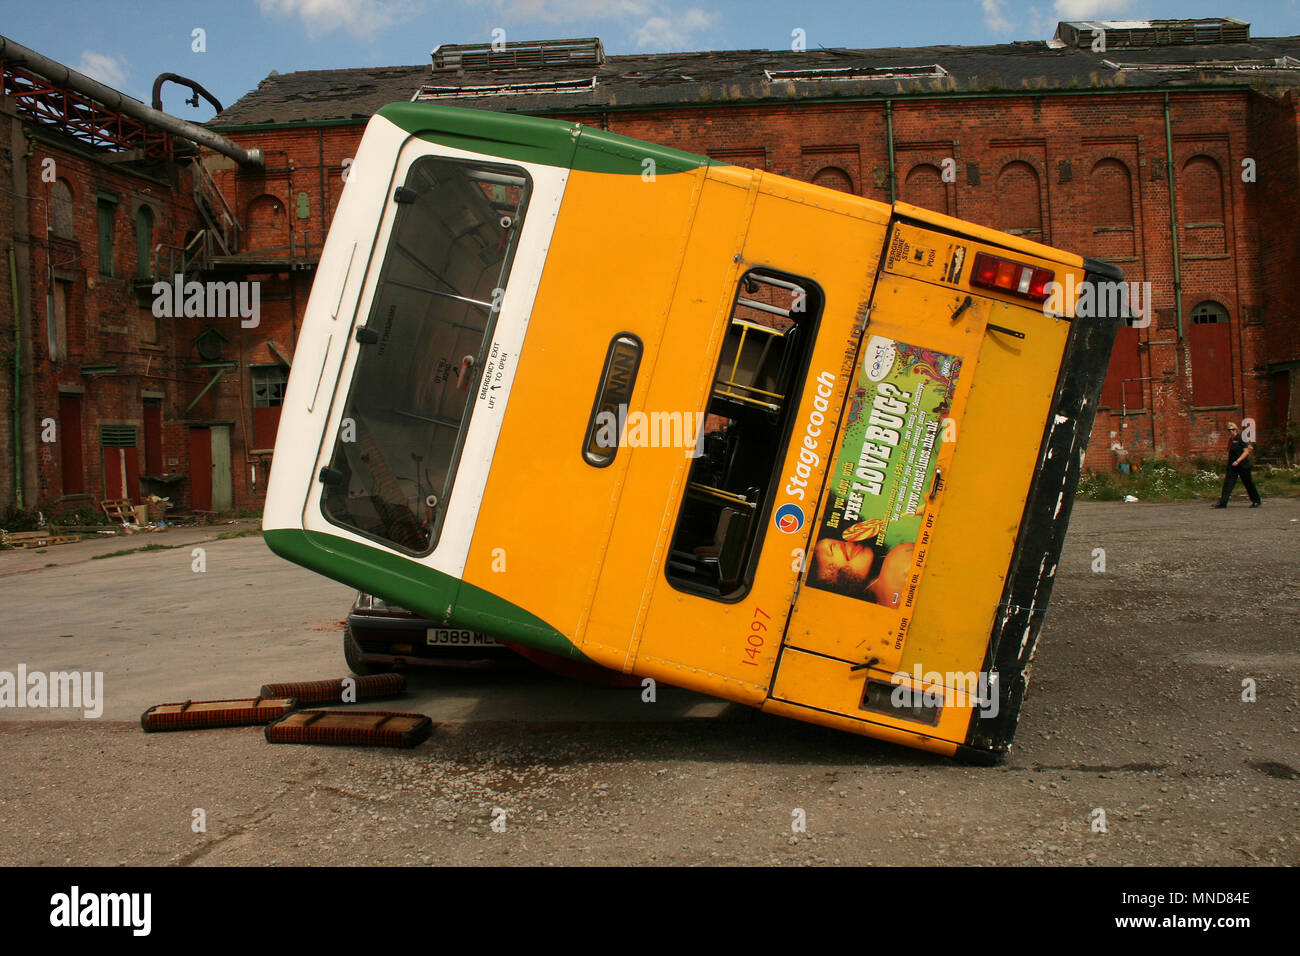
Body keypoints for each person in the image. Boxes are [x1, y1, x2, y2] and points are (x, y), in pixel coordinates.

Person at [1213, 421, 1261, 508]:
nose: (1231, 431)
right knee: (1228, 483)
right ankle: (1223, 503)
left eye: (1233, 429)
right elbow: (1229, 451)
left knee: (1248, 483)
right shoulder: (1231, 440)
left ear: (1236, 429)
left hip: (1242, 464)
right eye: (1229, 430)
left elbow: (1246, 452)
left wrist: (1238, 461)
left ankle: (1256, 501)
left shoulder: (1241, 438)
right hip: (1232, 465)